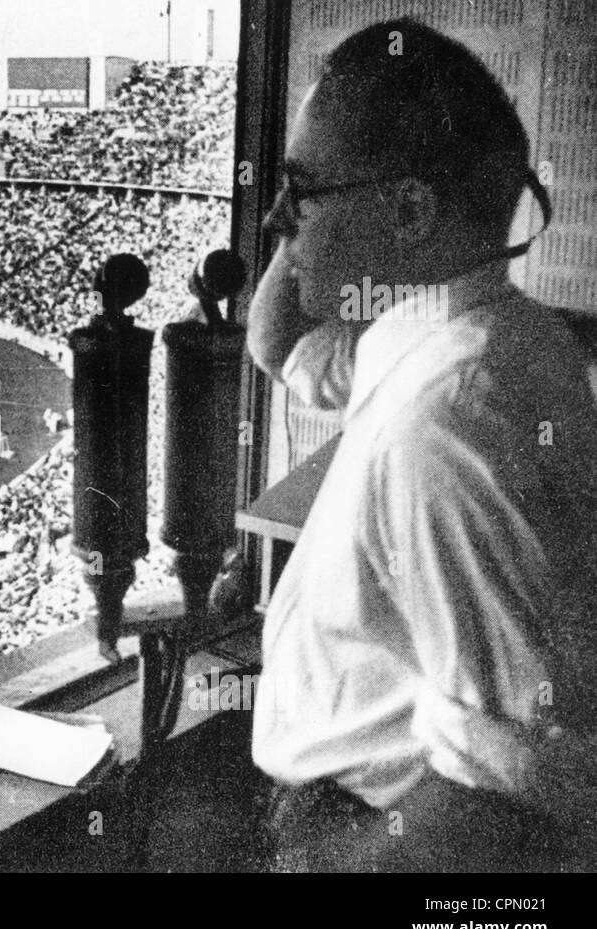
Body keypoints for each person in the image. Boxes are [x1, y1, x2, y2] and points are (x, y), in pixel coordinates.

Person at [246, 19, 597, 872]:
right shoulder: (483, 339)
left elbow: (516, 790)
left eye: (298, 191)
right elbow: (278, 344)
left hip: (372, 842)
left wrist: (341, 866)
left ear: (409, 211)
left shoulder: (442, 425)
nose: (274, 218)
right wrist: (312, 222)